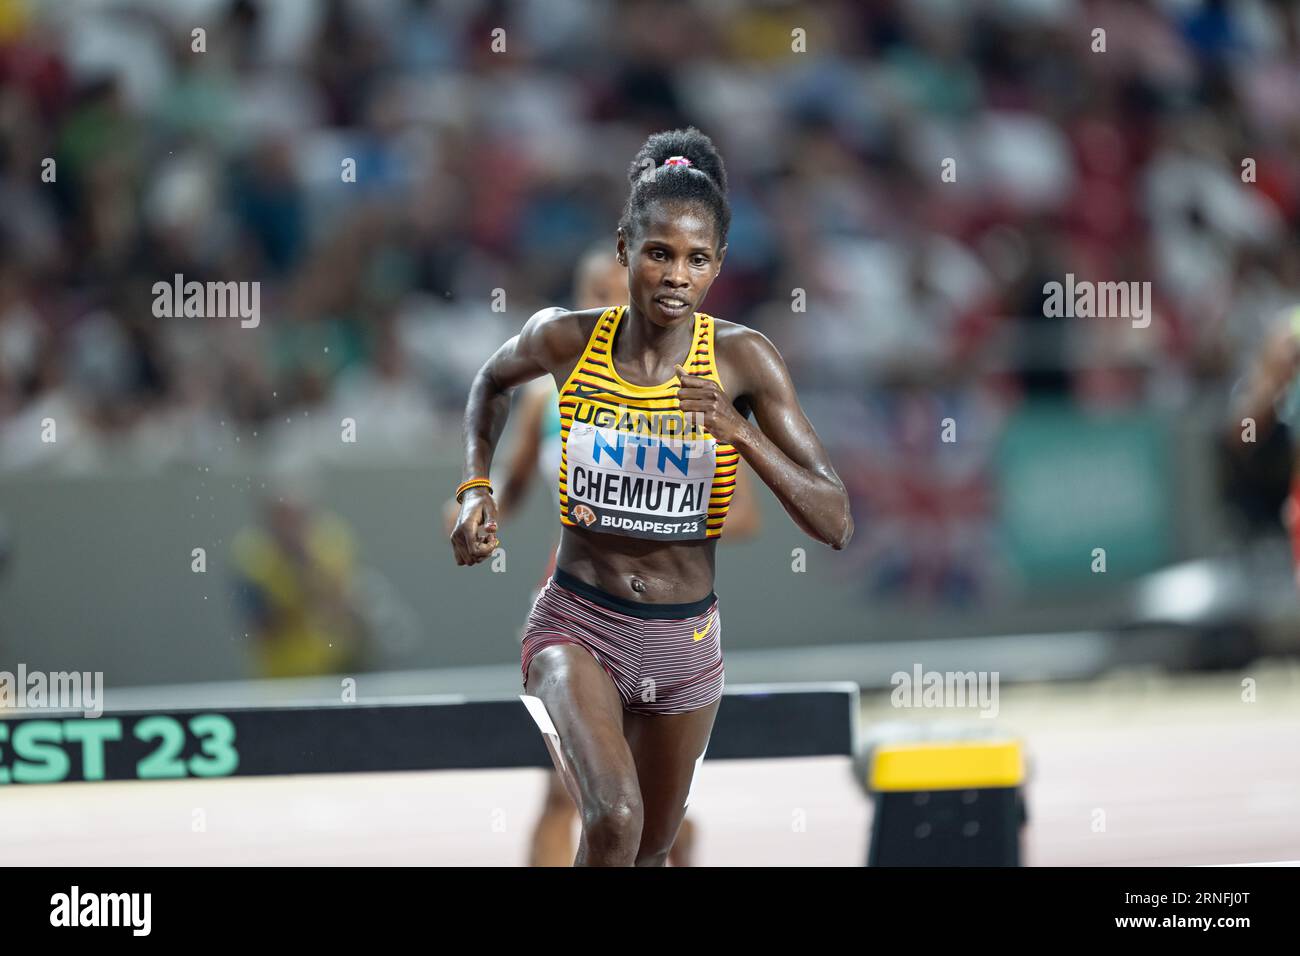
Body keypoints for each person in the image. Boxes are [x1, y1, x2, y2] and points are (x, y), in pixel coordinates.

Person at [449, 128, 853, 866]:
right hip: (576, 620)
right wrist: (476, 488)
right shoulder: (567, 340)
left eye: (697, 260)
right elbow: (489, 384)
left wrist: (739, 432)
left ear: (718, 266)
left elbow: (835, 519)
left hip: (684, 642)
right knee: (613, 818)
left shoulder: (742, 359)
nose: (676, 275)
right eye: (659, 253)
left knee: (654, 847)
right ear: (624, 248)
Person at [447, 241, 762, 866]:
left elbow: (747, 514)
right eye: (589, 295)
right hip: (576, 610)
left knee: (654, 827)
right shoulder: (547, 395)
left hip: (673, 622)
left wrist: (657, 502)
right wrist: (474, 506)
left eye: (612, 294)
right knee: (576, 802)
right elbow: (504, 492)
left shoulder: (699, 390)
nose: (602, 307)